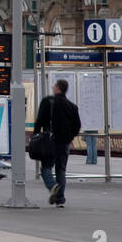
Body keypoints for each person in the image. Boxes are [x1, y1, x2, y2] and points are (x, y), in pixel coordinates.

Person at [34, 78, 81, 207]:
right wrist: (70, 137)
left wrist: (35, 135)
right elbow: (77, 126)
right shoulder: (72, 106)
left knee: (46, 167)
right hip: (64, 142)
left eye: (54, 86)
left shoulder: (48, 101)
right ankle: (60, 200)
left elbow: (39, 120)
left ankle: (52, 186)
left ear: (57, 88)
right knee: (61, 170)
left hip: (50, 141)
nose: (53, 88)